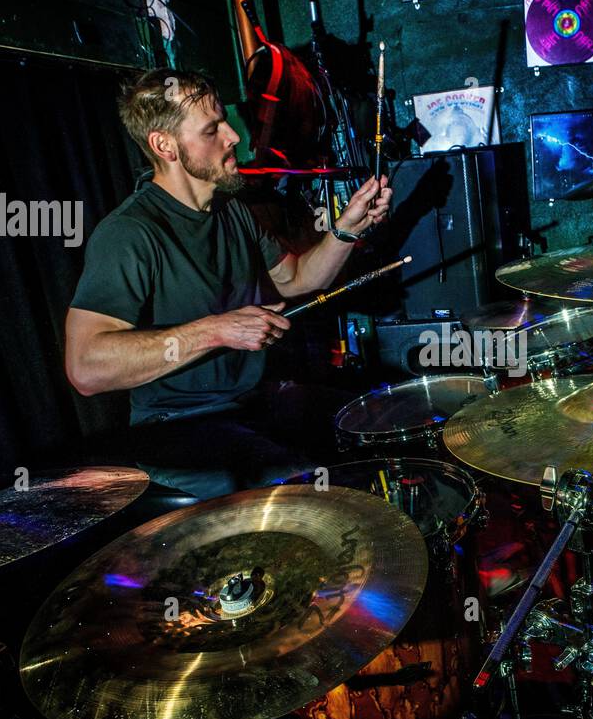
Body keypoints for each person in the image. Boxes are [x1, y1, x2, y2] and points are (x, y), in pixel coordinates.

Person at [64, 68, 392, 499]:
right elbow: (85, 367)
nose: (233, 136)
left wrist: (346, 230)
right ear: (165, 146)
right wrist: (217, 330)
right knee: (314, 491)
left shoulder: (230, 209)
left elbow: (294, 278)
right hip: (180, 423)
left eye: (225, 121)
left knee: (379, 420)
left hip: (255, 403)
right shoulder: (130, 233)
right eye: (212, 129)